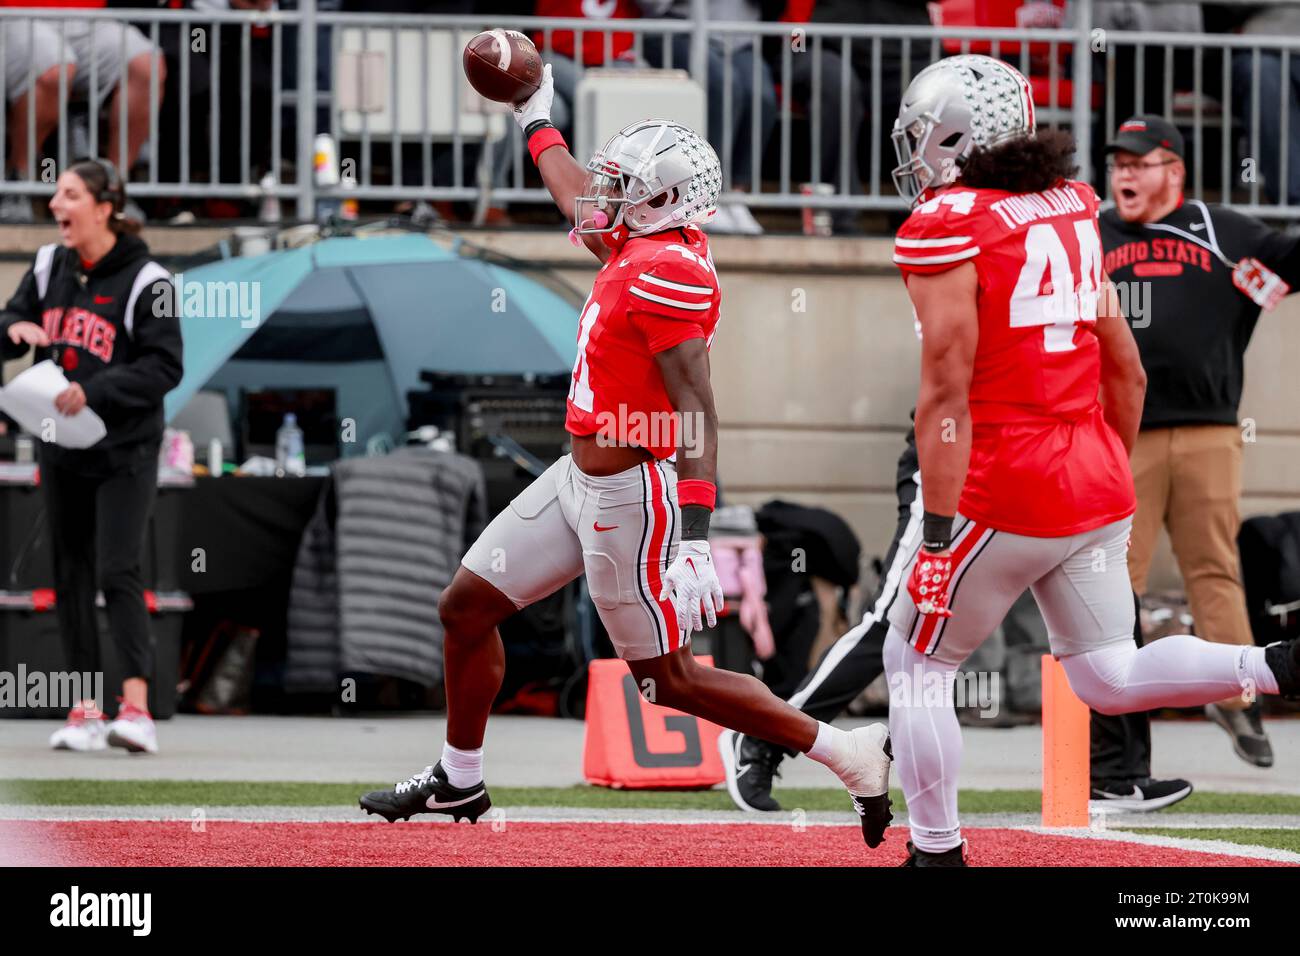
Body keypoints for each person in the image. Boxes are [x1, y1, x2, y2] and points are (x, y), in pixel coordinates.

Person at [360, 64, 892, 843]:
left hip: (629, 496)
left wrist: (700, 542)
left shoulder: (668, 271)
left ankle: (847, 752)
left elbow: (699, 412)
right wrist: (536, 117)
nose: (605, 195)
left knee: (667, 679)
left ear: (663, 201)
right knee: (466, 608)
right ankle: (459, 780)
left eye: (623, 184)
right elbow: (577, 195)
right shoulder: (649, 240)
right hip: (578, 476)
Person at [878, 54, 1300, 867]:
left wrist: (934, 535)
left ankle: (935, 852)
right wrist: (1107, 455)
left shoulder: (946, 224)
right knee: (1107, 672)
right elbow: (1126, 367)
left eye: (926, 136)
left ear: (964, 137)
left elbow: (944, 395)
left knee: (917, 661)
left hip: (1001, 480)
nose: (916, 152)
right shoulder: (1070, 205)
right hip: (1091, 466)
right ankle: (1276, 665)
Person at [720, 426, 1192, 816]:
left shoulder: (1090, 315)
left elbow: (1123, 380)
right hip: (963, 458)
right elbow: (948, 371)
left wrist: (1103, 484)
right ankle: (767, 737)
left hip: (1050, 461)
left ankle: (1118, 773)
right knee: (897, 615)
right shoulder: (981, 316)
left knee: (1105, 610)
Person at [1101, 115, 1300, 767]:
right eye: (1117, 164)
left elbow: (1291, 262)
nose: (1124, 174)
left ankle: (1239, 700)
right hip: (1119, 434)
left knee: (1215, 569)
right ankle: (1116, 737)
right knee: (1110, 579)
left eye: (1139, 163)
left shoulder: (1220, 229)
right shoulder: (1092, 234)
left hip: (1212, 427)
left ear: (1174, 171)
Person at [0, 158, 182, 753]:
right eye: (56, 194)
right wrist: (14, 332)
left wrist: (96, 390)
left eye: (70, 195)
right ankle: (83, 710)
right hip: (61, 441)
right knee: (69, 570)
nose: (56, 206)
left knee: (117, 568)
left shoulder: (149, 279)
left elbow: (164, 367)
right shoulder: (51, 262)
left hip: (124, 447)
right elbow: (13, 317)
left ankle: (136, 708)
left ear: (105, 207)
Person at [0, 1, 167, 222]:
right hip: (15, 14)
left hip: (87, 17)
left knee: (146, 65)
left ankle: (111, 189)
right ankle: (17, 182)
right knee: (54, 67)